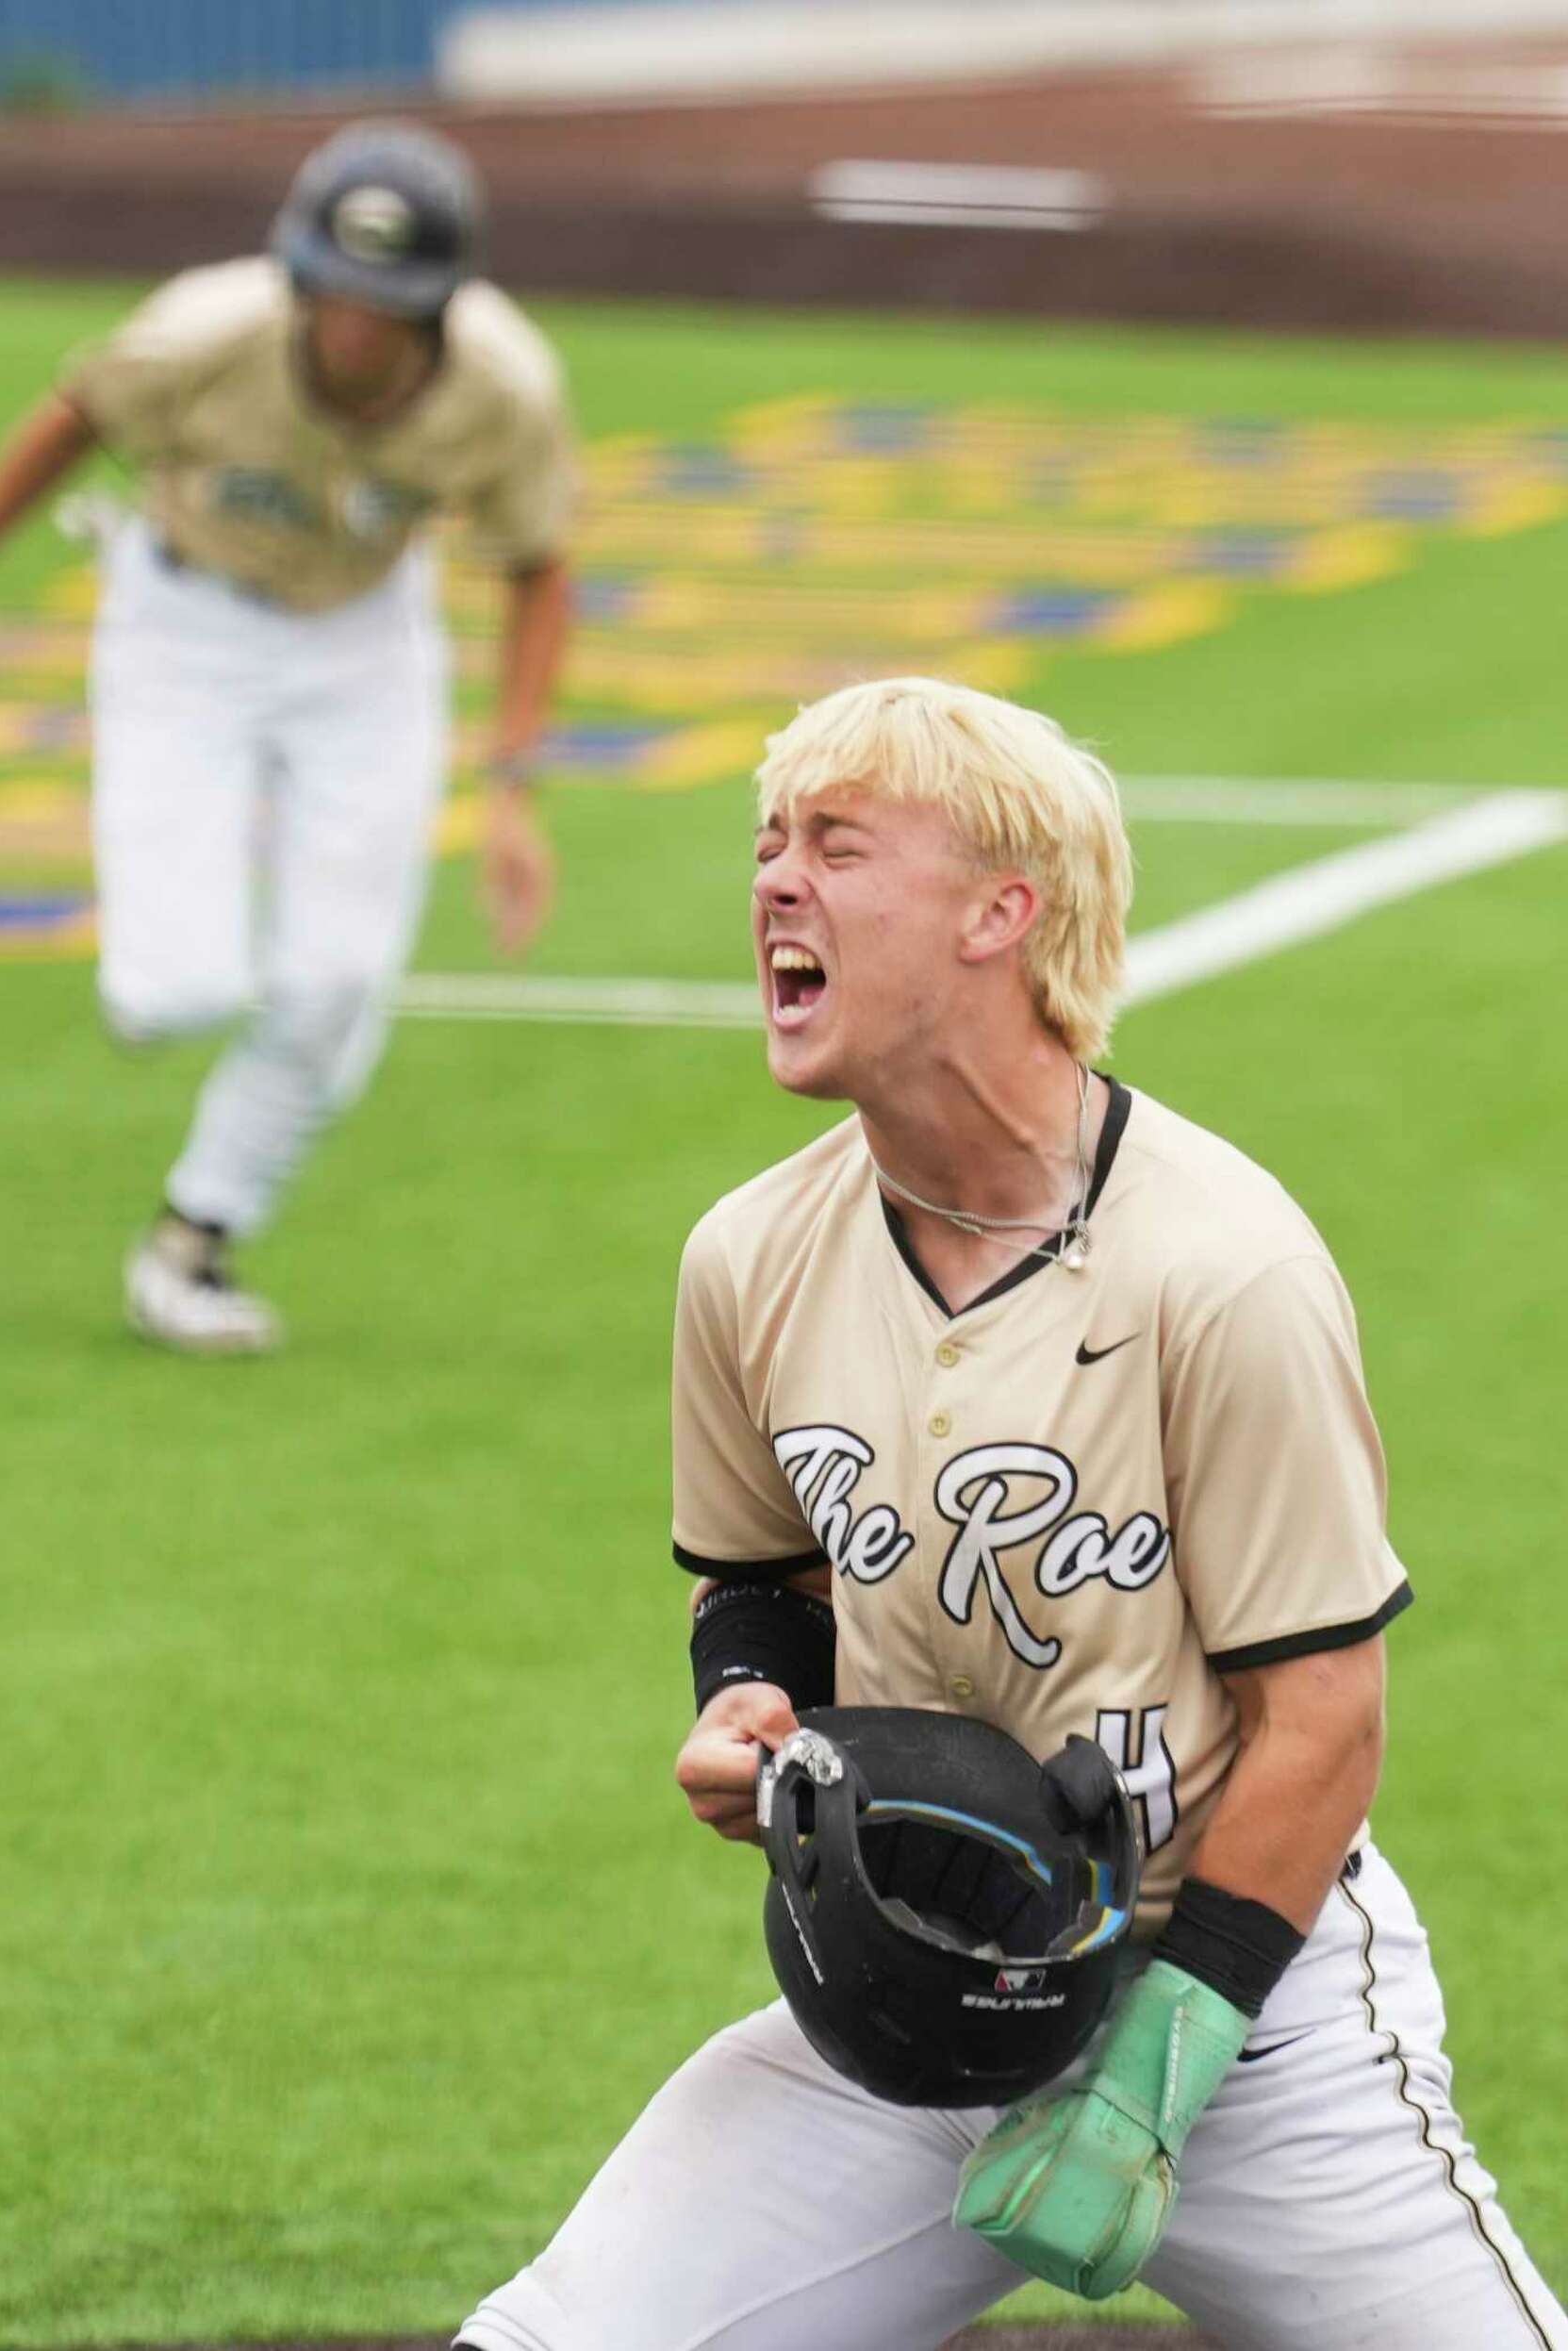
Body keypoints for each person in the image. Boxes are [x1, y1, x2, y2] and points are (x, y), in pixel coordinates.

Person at [456, 676, 1563, 2350]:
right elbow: (758, 1574)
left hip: (1245, 2017)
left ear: (1000, 912)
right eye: (768, 843)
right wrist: (745, 1699)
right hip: (910, 2006)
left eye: (838, 844)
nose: (774, 880)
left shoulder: (1222, 1268)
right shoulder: (749, 1258)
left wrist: (1151, 2079)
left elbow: (1326, 1716)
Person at [0, 121, 574, 1353]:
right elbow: (73, 415)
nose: (356, 329)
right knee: (175, 992)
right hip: (185, 619)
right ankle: (174, 967)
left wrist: (512, 790)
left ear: (440, 304)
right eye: (335, 294)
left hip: (366, 639)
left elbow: (539, 564)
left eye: (388, 305)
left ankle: (195, 1239)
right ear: (299, 277)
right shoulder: (204, 330)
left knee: (337, 982)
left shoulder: (507, 387)